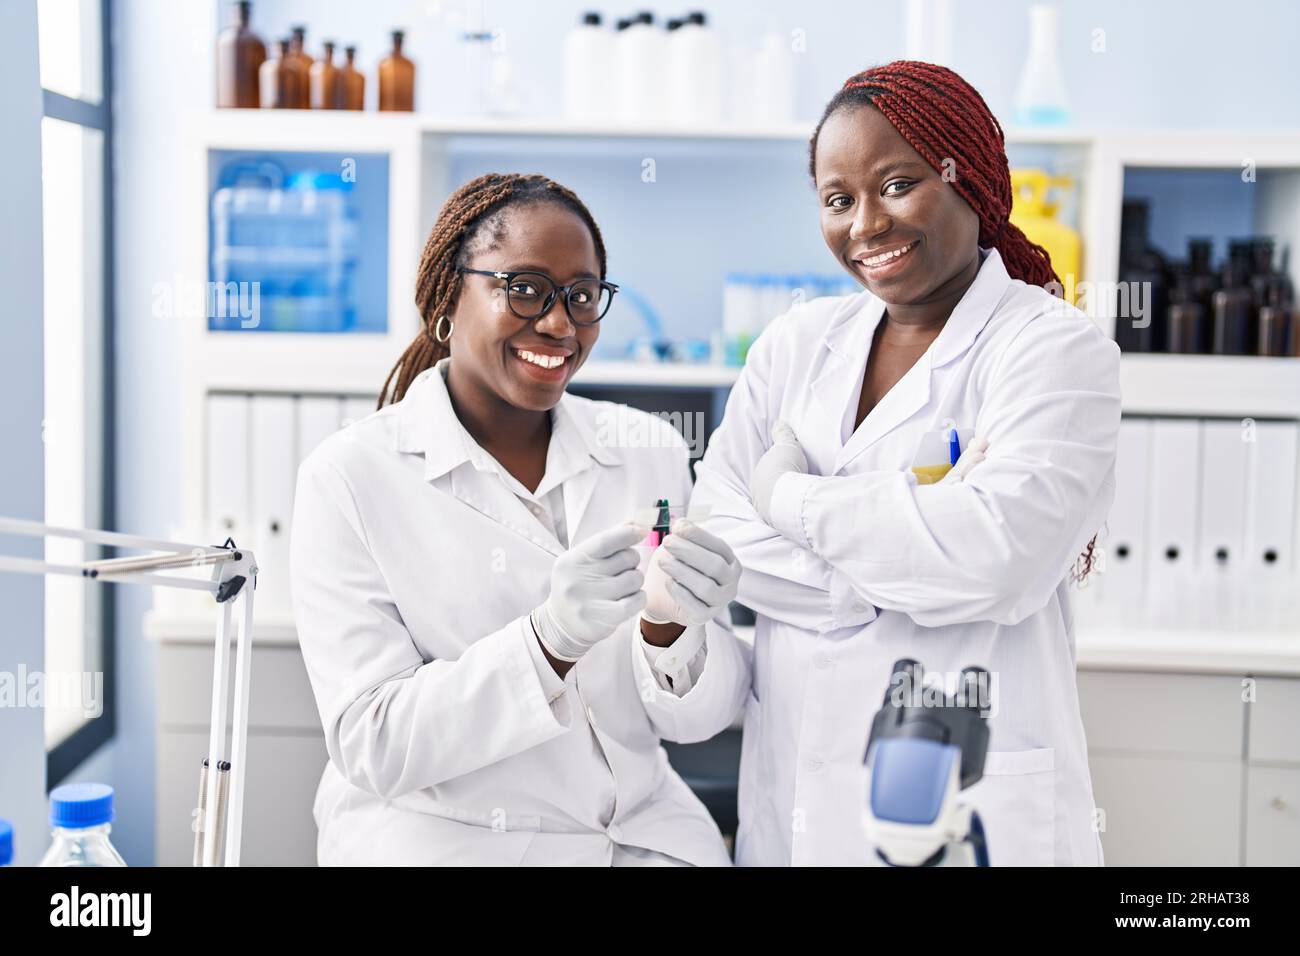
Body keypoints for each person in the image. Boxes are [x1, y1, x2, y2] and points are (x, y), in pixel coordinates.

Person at [690, 61, 1121, 866]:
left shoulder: (1056, 349)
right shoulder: (795, 344)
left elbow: (996, 561)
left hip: (970, 808)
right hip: (793, 810)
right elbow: (720, 533)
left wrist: (784, 495)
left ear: (974, 178)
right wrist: (913, 555)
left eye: (897, 184)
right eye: (838, 199)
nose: (866, 224)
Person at [290, 173, 748, 866]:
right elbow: (373, 743)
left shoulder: (646, 451)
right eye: (525, 288)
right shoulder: (351, 477)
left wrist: (670, 631)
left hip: (641, 836)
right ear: (451, 294)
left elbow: (697, 721)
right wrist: (548, 642)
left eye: (582, 296)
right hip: (452, 844)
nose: (560, 324)